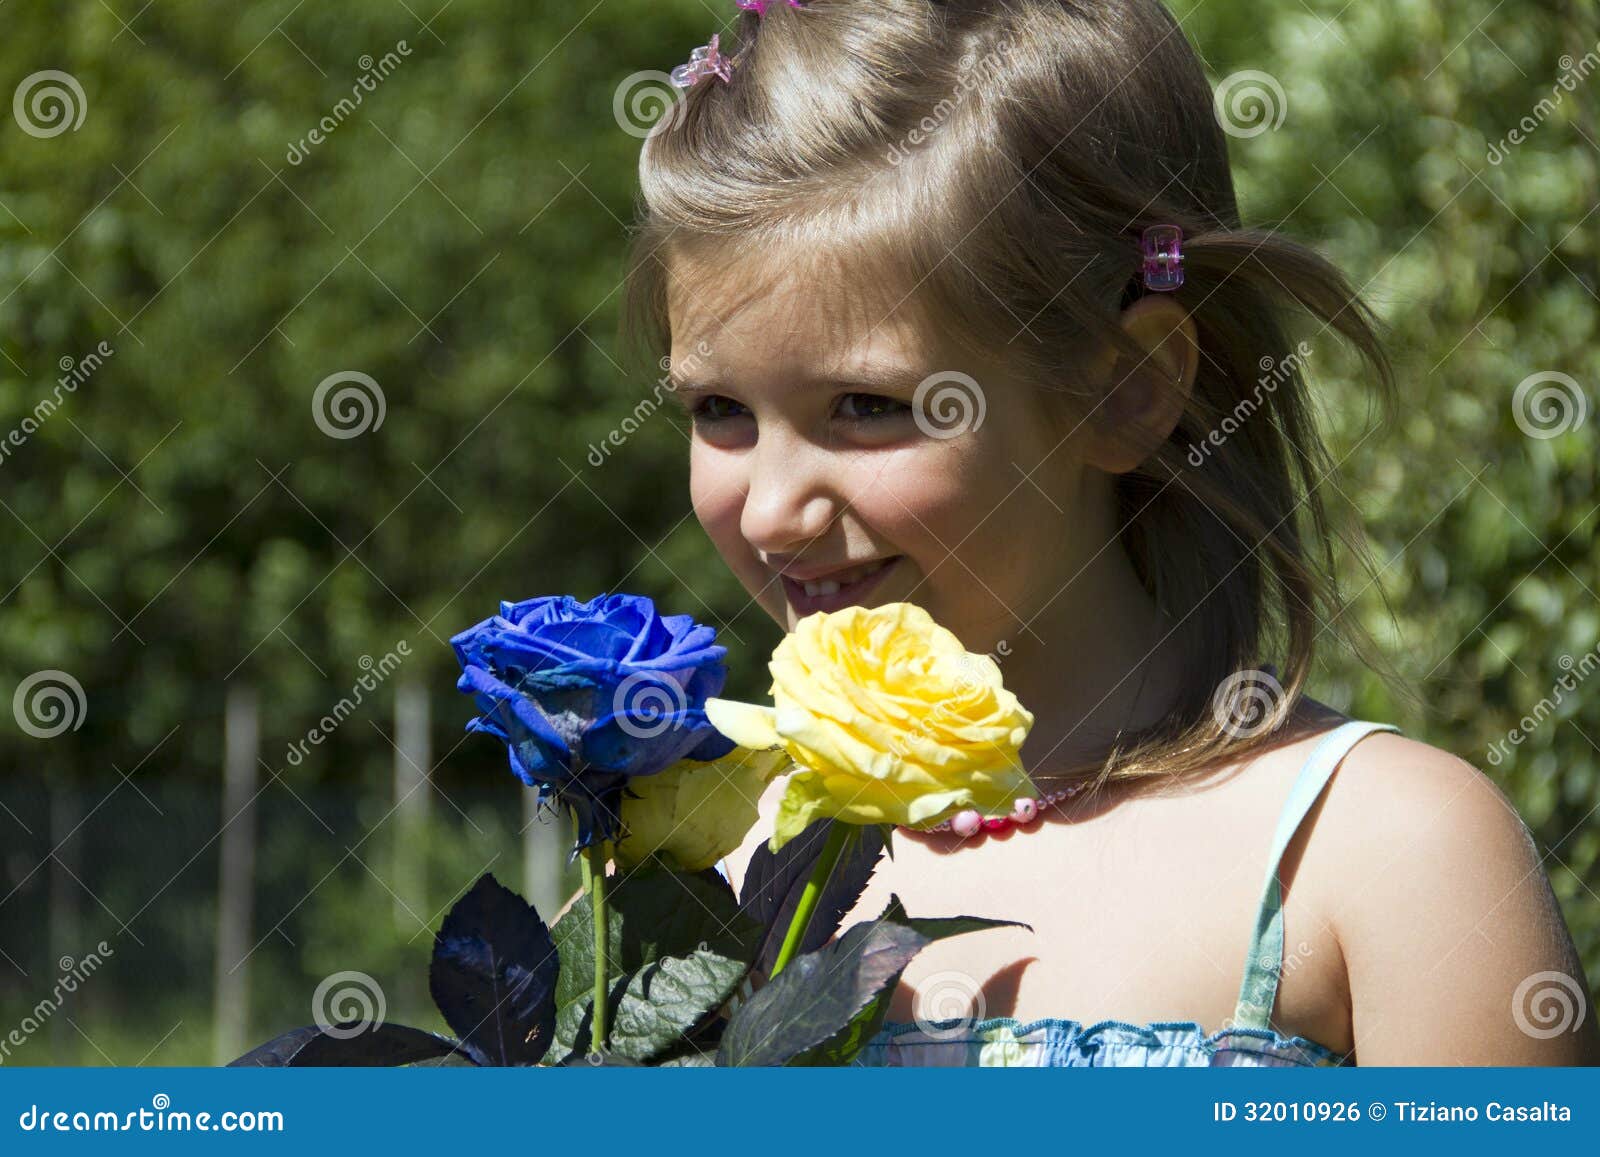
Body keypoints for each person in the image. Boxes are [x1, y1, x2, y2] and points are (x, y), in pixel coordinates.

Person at [619, 0, 1600, 1066]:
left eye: (866, 405)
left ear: (1128, 388)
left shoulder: (1380, 856)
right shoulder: (705, 855)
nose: (768, 510)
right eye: (718, 410)